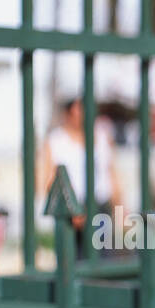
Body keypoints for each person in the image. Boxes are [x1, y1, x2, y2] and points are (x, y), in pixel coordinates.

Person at [37, 96, 126, 259]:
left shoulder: (102, 136)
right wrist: (70, 209)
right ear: (68, 113)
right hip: (71, 209)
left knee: (104, 258)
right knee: (73, 259)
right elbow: (48, 179)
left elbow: (111, 172)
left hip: (100, 206)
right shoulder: (56, 141)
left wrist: (119, 205)